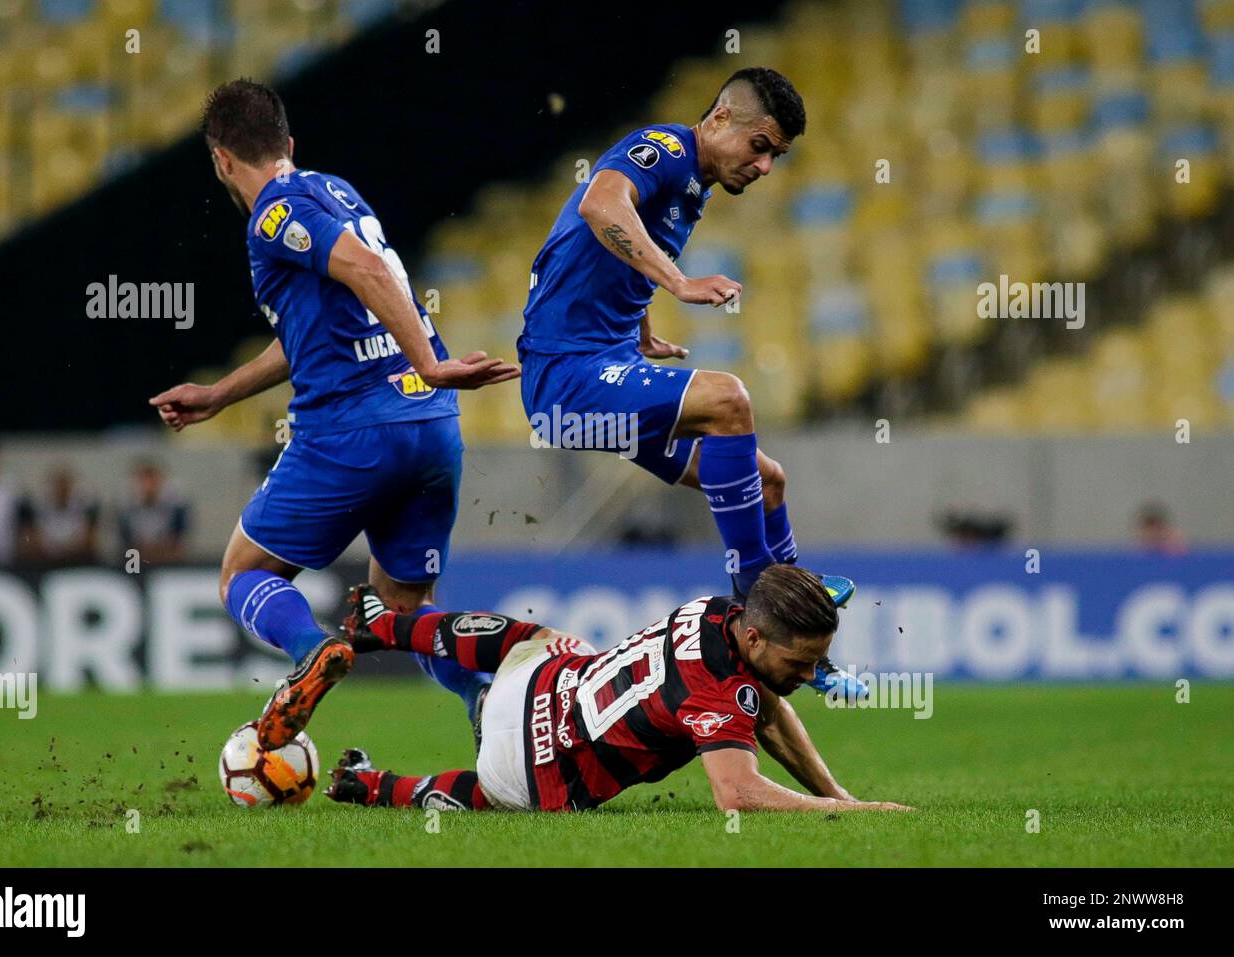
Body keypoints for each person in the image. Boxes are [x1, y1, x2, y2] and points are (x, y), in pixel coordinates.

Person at [149, 80, 518, 750]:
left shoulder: (271, 213)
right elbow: (311, 333)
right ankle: (485, 697)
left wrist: (432, 362)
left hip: (353, 429)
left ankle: (312, 652)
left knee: (244, 574)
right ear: (289, 144)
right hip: (430, 428)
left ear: (222, 162)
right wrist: (219, 393)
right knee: (399, 612)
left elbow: (368, 271)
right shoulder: (338, 191)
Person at [517, 66, 861, 697]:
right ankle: (756, 599)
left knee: (767, 479)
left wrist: (641, 327)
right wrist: (678, 285)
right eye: (761, 148)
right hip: (567, 381)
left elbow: (617, 249)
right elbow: (600, 204)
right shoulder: (668, 149)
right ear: (721, 118)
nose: (765, 168)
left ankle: (802, 635)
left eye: (777, 157)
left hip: (601, 365)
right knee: (729, 398)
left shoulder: (693, 189)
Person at [326, 564, 911, 813]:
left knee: (543, 637)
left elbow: (770, 710)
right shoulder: (722, 690)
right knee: (510, 793)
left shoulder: (711, 611)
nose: (811, 675)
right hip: (526, 775)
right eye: (802, 661)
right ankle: (374, 787)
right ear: (754, 639)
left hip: (533, 690)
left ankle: (383, 626)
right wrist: (844, 809)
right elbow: (738, 794)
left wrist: (838, 794)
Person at [20, 465, 100, 564]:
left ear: (71, 486)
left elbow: (90, 543)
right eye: (58, 485)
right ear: (51, 487)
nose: (61, 489)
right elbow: (30, 542)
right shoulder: (39, 509)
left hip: (78, 562)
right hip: (45, 563)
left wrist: (61, 549)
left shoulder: (85, 508)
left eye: (65, 485)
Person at [116, 460, 190, 564]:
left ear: (162, 482)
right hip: (134, 561)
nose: (149, 486)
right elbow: (125, 543)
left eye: (153, 481)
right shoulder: (125, 507)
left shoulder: (176, 506)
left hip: (168, 560)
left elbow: (178, 542)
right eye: (144, 481)